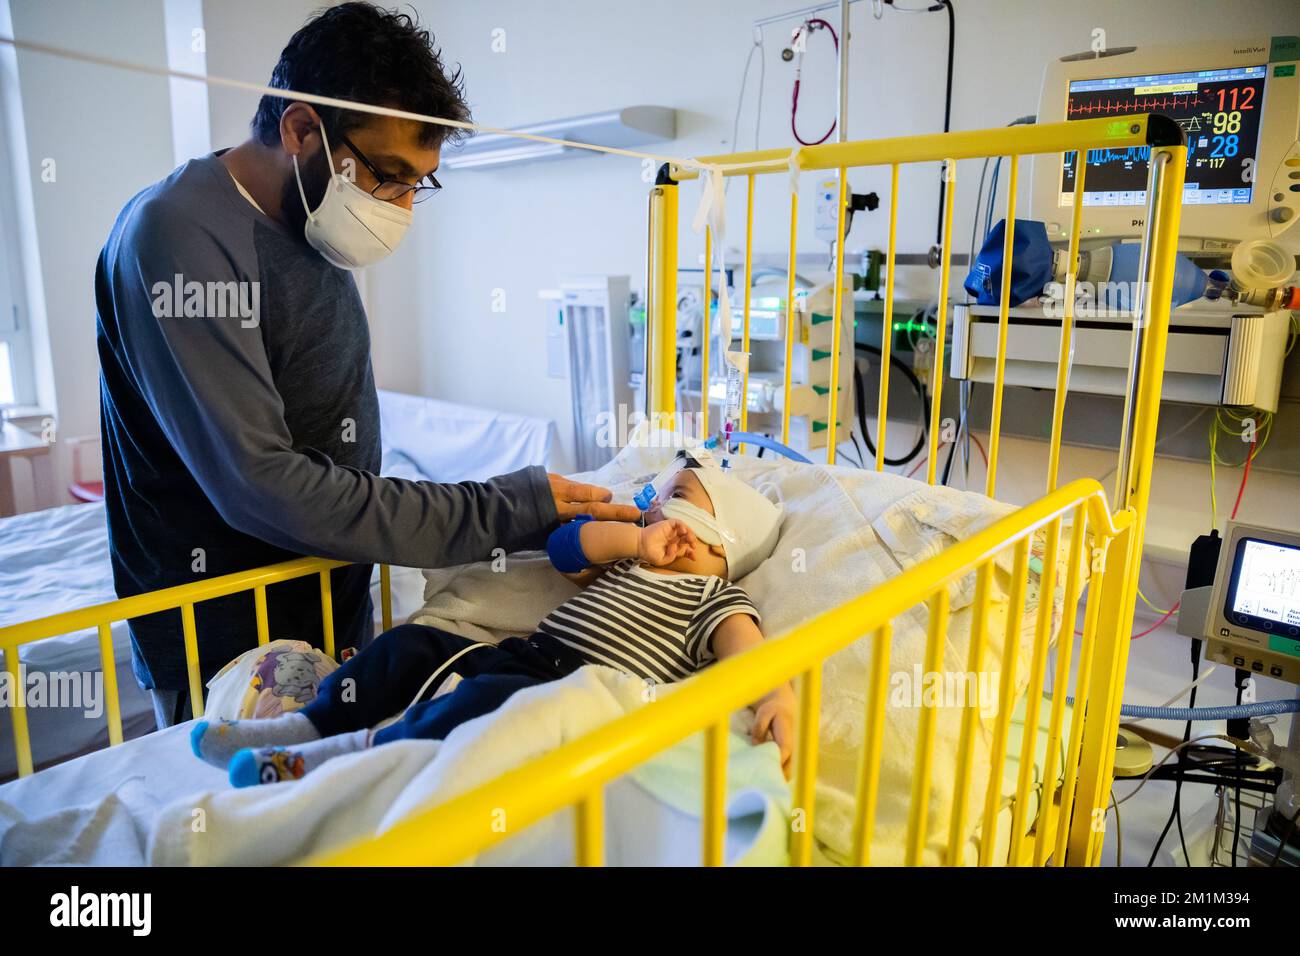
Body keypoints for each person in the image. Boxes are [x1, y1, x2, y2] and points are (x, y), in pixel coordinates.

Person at [94, 2, 636, 729]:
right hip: (223, 629)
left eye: (421, 182)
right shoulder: (178, 237)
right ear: (299, 130)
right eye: (388, 174)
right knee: (255, 823)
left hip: (327, 595)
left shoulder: (318, 224)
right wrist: (503, 509)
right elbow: (262, 485)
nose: (404, 204)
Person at [189, 450, 797, 782]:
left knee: (467, 712)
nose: (656, 500)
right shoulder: (625, 562)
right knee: (411, 646)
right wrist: (634, 542)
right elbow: (565, 551)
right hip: (525, 656)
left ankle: (335, 762)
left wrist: (778, 696)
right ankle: (305, 726)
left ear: (717, 538)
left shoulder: (715, 602)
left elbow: (751, 652)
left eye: (678, 496)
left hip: (567, 693)